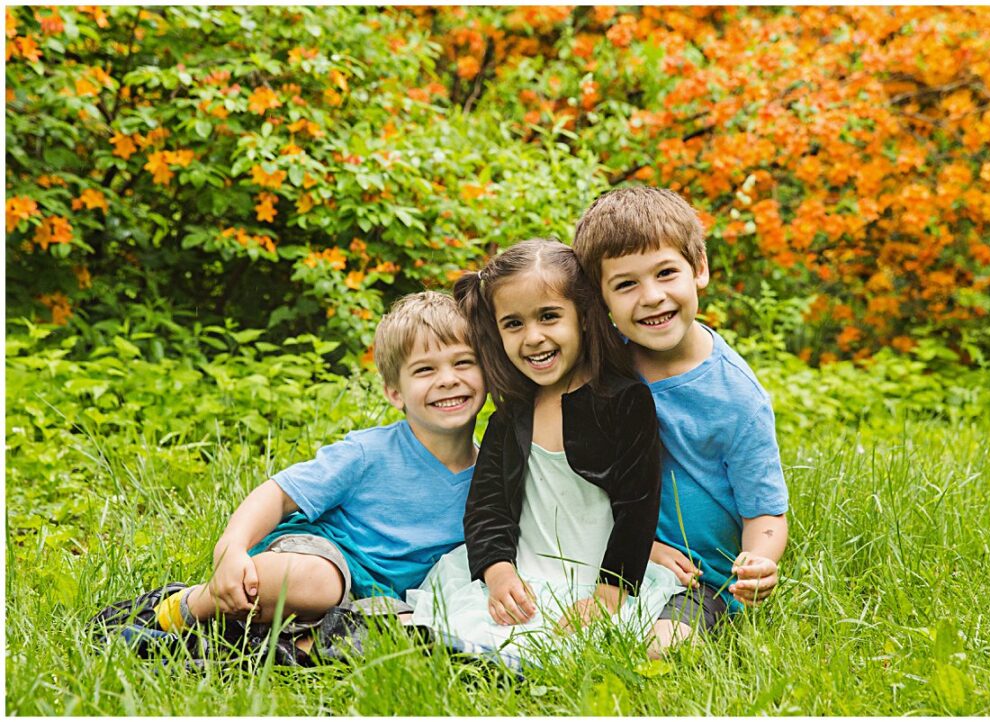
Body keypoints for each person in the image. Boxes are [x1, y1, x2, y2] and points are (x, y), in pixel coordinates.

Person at [98, 291, 486, 644]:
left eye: (463, 363)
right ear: (394, 392)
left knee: (413, 635)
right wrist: (231, 548)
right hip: (321, 558)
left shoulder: (492, 474)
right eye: (425, 370)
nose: (448, 380)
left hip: (382, 598)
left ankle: (286, 634)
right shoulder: (370, 452)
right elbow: (278, 494)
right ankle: (189, 604)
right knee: (318, 585)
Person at [407, 238, 683, 662]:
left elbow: (637, 507)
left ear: (585, 318)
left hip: (603, 575)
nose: (533, 338)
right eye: (513, 324)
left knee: (603, 645)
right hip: (528, 569)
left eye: (549, 317)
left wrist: (609, 593)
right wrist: (499, 574)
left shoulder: (624, 402)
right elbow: (487, 508)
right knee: (483, 630)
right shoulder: (510, 416)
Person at [573, 186, 789, 657]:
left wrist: (758, 563)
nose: (651, 297)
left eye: (666, 273)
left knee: (656, 650)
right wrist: (640, 548)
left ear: (700, 270)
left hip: (696, 578)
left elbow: (766, 511)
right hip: (609, 556)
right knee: (552, 625)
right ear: (601, 298)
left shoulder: (736, 397)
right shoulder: (603, 369)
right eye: (625, 284)